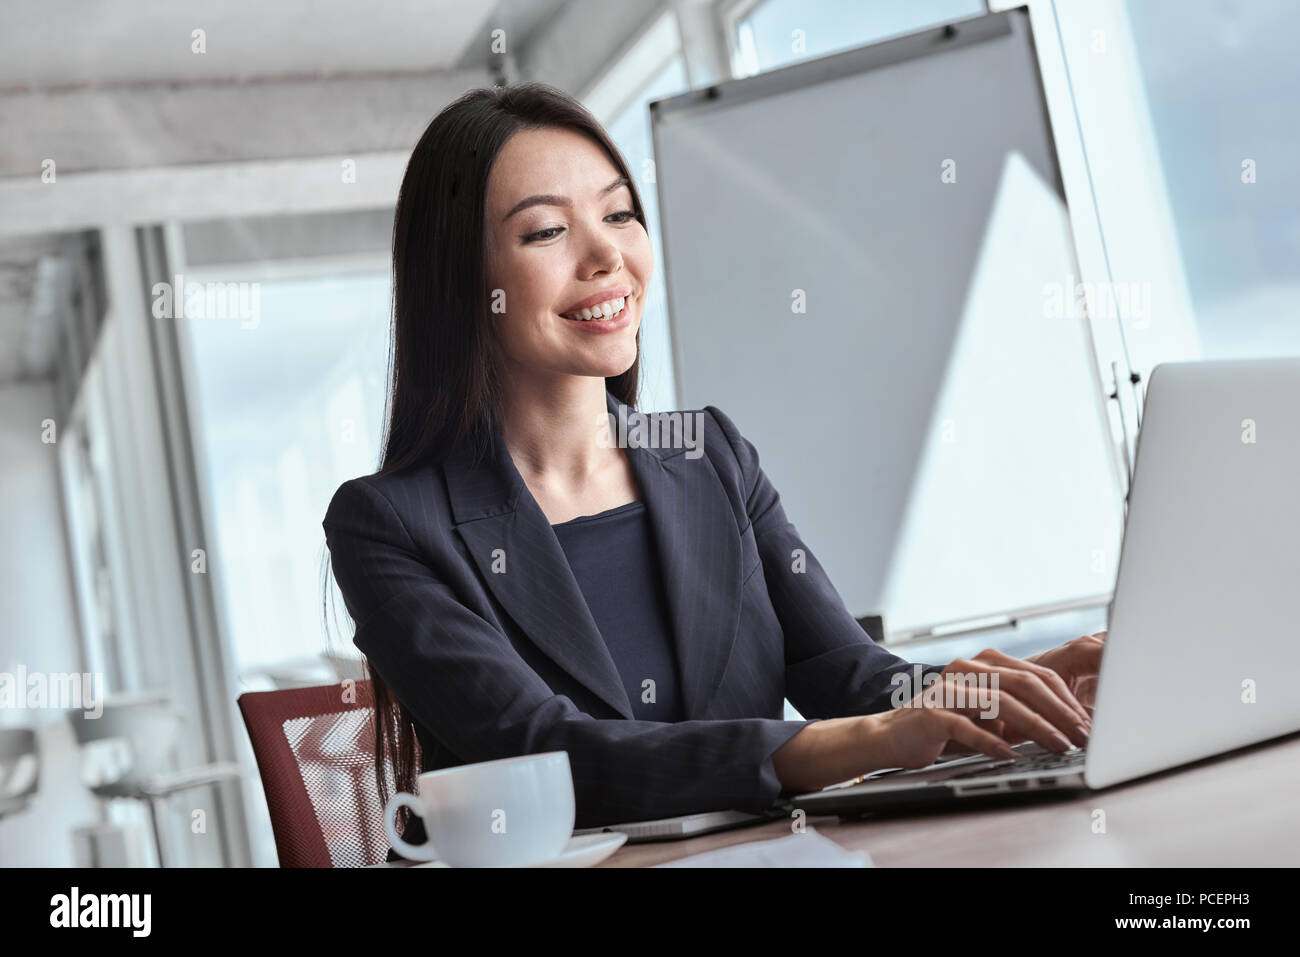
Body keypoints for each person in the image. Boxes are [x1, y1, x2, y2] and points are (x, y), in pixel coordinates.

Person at [321, 82, 1102, 858]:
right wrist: (858, 742)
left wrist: (1012, 689)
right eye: (548, 231)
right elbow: (547, 750)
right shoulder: (388, 524)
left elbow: (848, 675)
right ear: (460, 279)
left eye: (620, 213)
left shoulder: (708, 455)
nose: (606, 256)